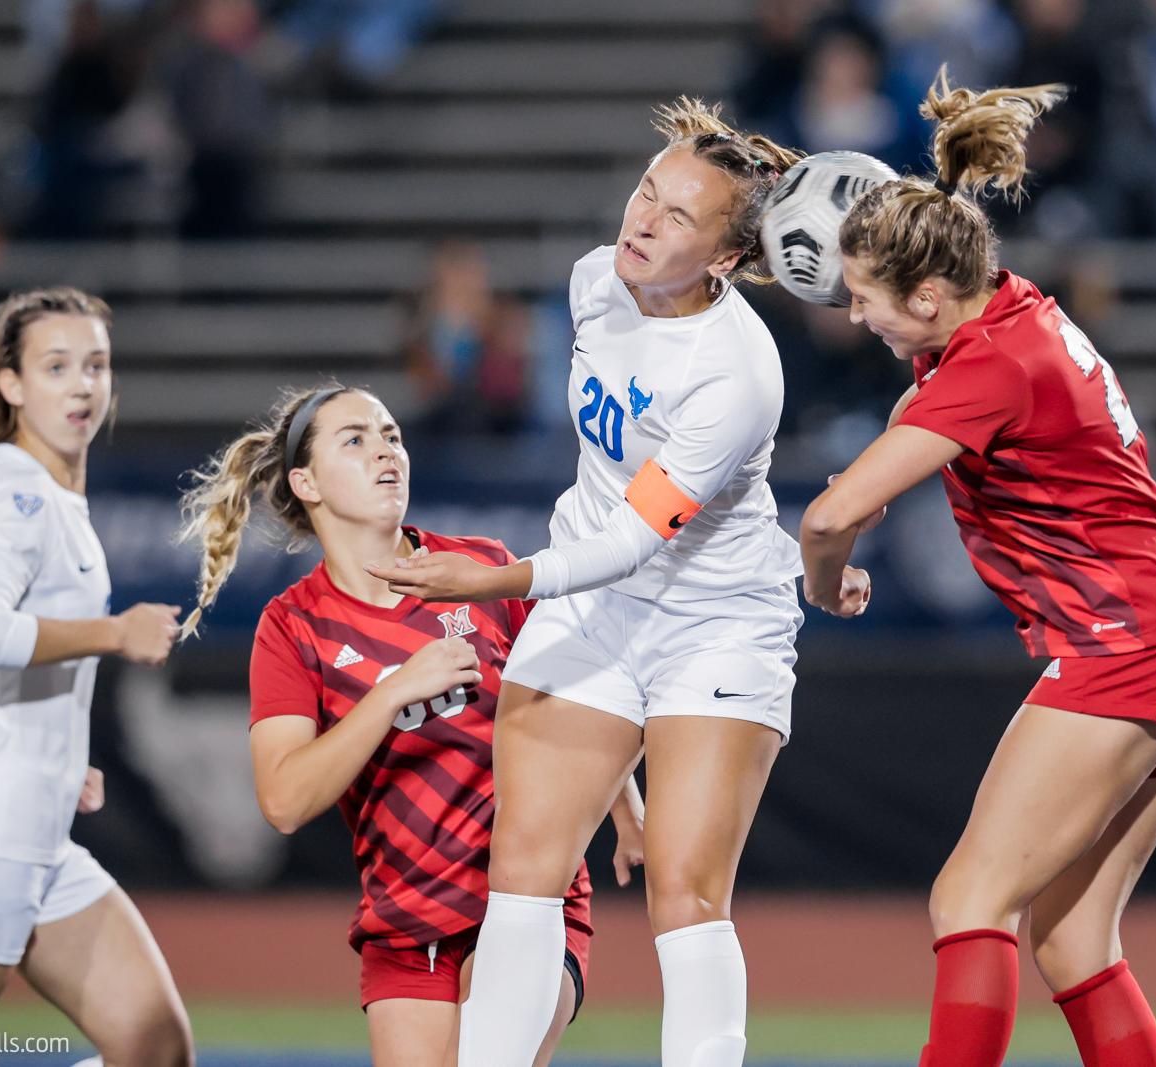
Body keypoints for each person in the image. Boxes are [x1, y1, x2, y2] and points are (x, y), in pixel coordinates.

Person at [365, 99, 815, 1067]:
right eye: (646, 192)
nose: (643, 221)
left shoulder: (738, 370)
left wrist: (498, 579)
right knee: (520, 871)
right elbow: (602, 510)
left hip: (713, 623)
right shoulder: (591, 284)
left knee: (684, 895)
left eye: (679, 217)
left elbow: (637, 535)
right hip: (594, 609)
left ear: (727, 259)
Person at [799, 74, 1156, 1067]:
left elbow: (826, 515)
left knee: (968, 897)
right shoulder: (1008, 314)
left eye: (866, 300)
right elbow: (911, 429)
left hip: (1124, 641)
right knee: (1073, 940)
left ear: (930, 294)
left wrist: (827, 576)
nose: (857, 318)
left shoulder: (986, 363)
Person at [177, 384, 645, 1067]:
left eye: (391, 433)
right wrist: (393, 692)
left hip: (524, 895)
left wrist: (627, 804)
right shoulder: (292, 626)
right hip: (405, 922)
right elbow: (283, 799)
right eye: (356, 439)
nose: (385, 450)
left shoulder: (479, 565)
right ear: (305, 482)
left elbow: (573, 684)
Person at [0, 288, 192, 1067]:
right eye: (57, 366)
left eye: (95, 365)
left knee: (152, 1045)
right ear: (11, 384)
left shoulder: (44, 492)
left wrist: (51, 750)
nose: (81, 385)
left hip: (34, 832)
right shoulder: (20, 492)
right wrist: (114, 631)